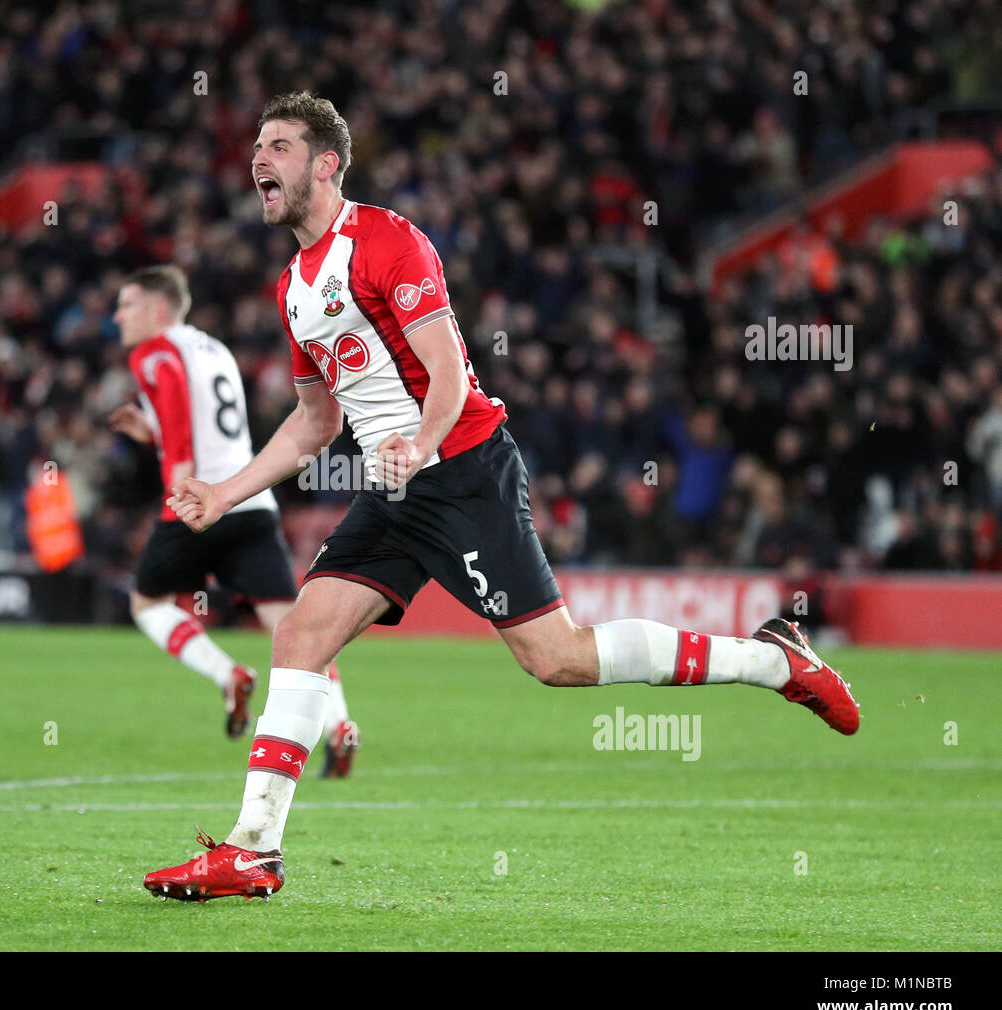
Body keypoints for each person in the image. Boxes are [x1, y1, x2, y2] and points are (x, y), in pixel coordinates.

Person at [144, 92, 857, 903]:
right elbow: (314, 423)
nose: (258, 162)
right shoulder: (292, 289)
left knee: (559, 660)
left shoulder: (386, 241)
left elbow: (446, 369)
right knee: (302, 635)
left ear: (326, 163)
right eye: (257, 148)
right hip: (395, 490)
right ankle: (253, 849)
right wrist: (224, 492)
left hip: (464, 468)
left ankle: (772, 659)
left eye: (278, 147)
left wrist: (420, 442)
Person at [109, 264, 359, 774]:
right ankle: (339, 725)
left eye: (128, 304)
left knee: (147, 602)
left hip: (200, 499)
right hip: (252, 501)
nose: (118, 316)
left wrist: (177, 475)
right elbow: (210, 424)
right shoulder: (215, 348)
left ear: (158, 309)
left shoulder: (153, 351)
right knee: (293, 627)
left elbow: (182, 413)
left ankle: (229, 675)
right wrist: (153, 432)